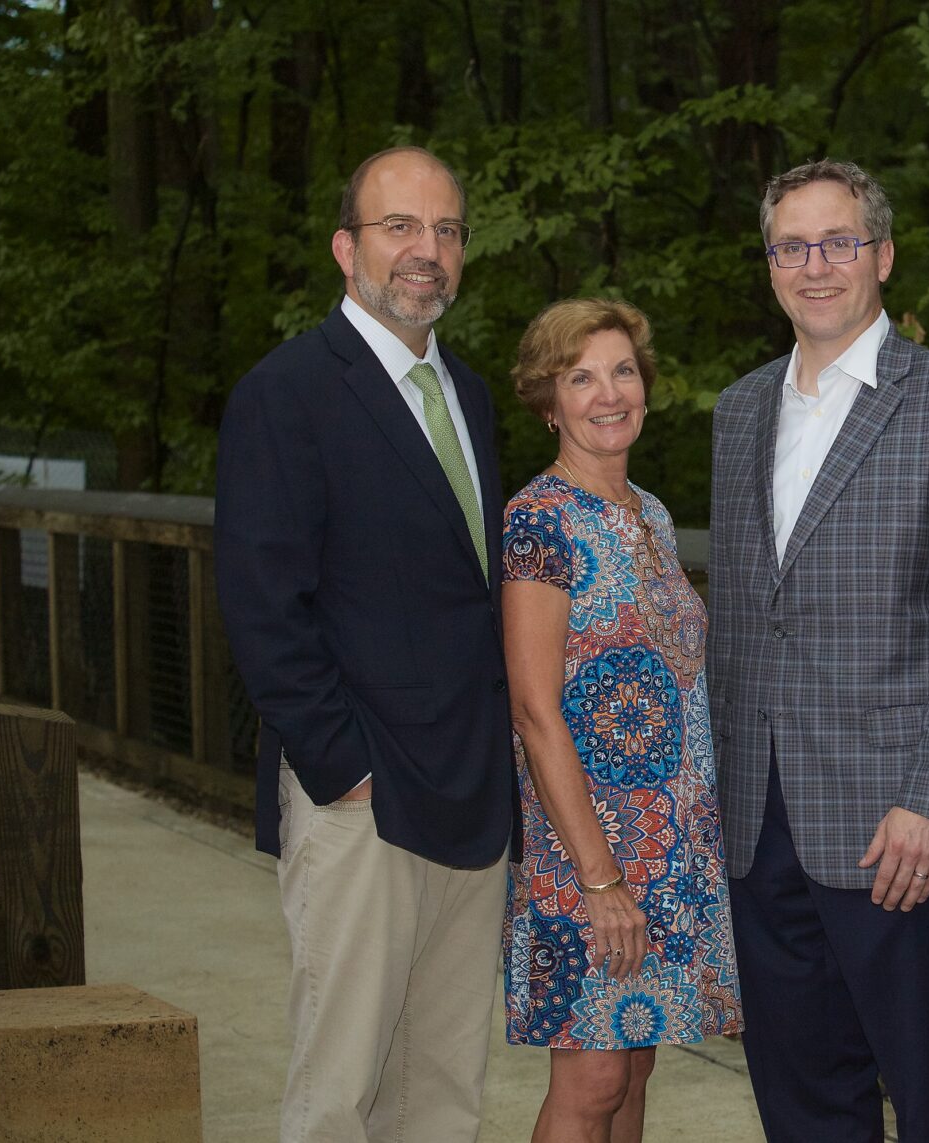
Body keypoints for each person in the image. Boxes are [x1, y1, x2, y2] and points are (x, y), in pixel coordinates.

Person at [708, 158, 929, 1142]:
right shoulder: (739, 409)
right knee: (802, 1098)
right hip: (760, 828)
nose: (816, 266)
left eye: (838, 242)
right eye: (791, 245)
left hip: (900, 834)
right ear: (768, 264)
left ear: (881, 256)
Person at [214, 146, 512, 1141]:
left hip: (470, 792)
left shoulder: (467, 397)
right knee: (342, 1095)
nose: (425, 251)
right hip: (367, 798)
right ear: (347, 249)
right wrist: (342, 770)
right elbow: (263, 607)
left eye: (445, 230)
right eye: (399, 227)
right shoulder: (287, 392)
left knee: (442, 1091)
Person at [500, 297, 744, 1142]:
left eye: (623, 371)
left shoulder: (650, 513)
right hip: (588, 851)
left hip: (668, 846)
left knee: (634, 1066)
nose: (609, 394)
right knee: (593, 1073)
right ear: (549, 400)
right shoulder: (540, 521)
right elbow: (534, 710)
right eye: (581, 376)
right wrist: (601, 880)